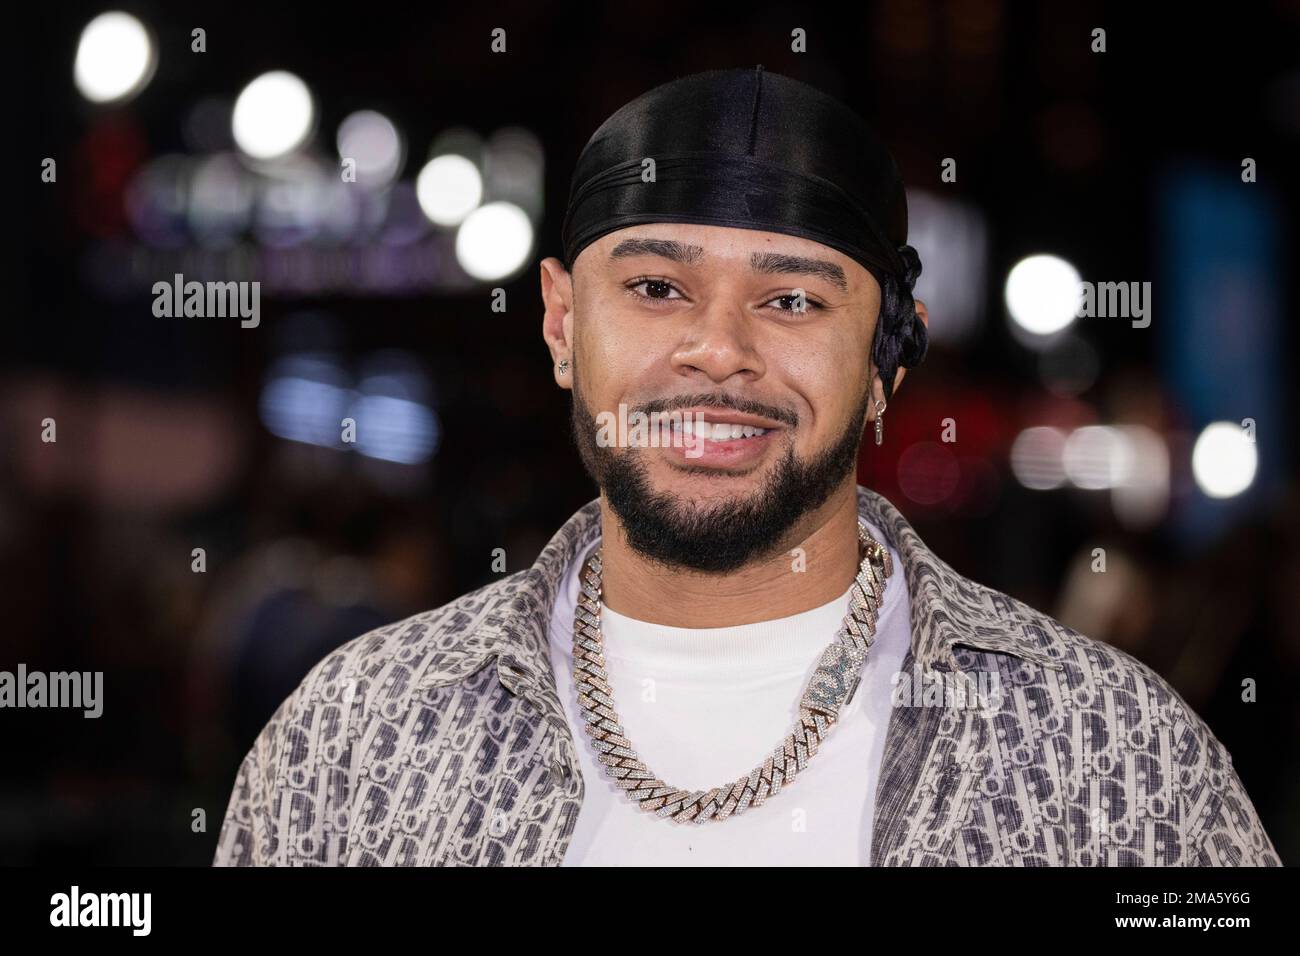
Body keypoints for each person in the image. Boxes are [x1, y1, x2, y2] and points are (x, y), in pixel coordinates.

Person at [213, 66, 1280, 866]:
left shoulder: (1109, 749)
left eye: (793, 300)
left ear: (883, 359)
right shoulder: (360, 730)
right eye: (656, 288)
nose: (718, 350)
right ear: (558, 322)